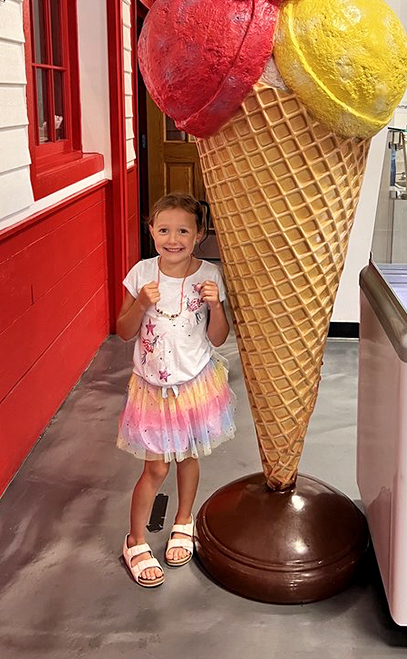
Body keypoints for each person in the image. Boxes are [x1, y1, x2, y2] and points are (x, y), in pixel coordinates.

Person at [116, 193, 235, 588]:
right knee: (156, 466)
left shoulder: (210, 276)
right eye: (163, 229)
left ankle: (184, 520)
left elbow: (218, 339)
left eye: (183, 230)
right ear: (151, 230)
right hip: (153, 387)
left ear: (199, 234)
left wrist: (216, 306)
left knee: (188, 456)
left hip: (194, 384)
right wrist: (141, 305)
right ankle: (135, 540)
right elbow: (123, 331)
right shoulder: (140, 275)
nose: (173, 239)